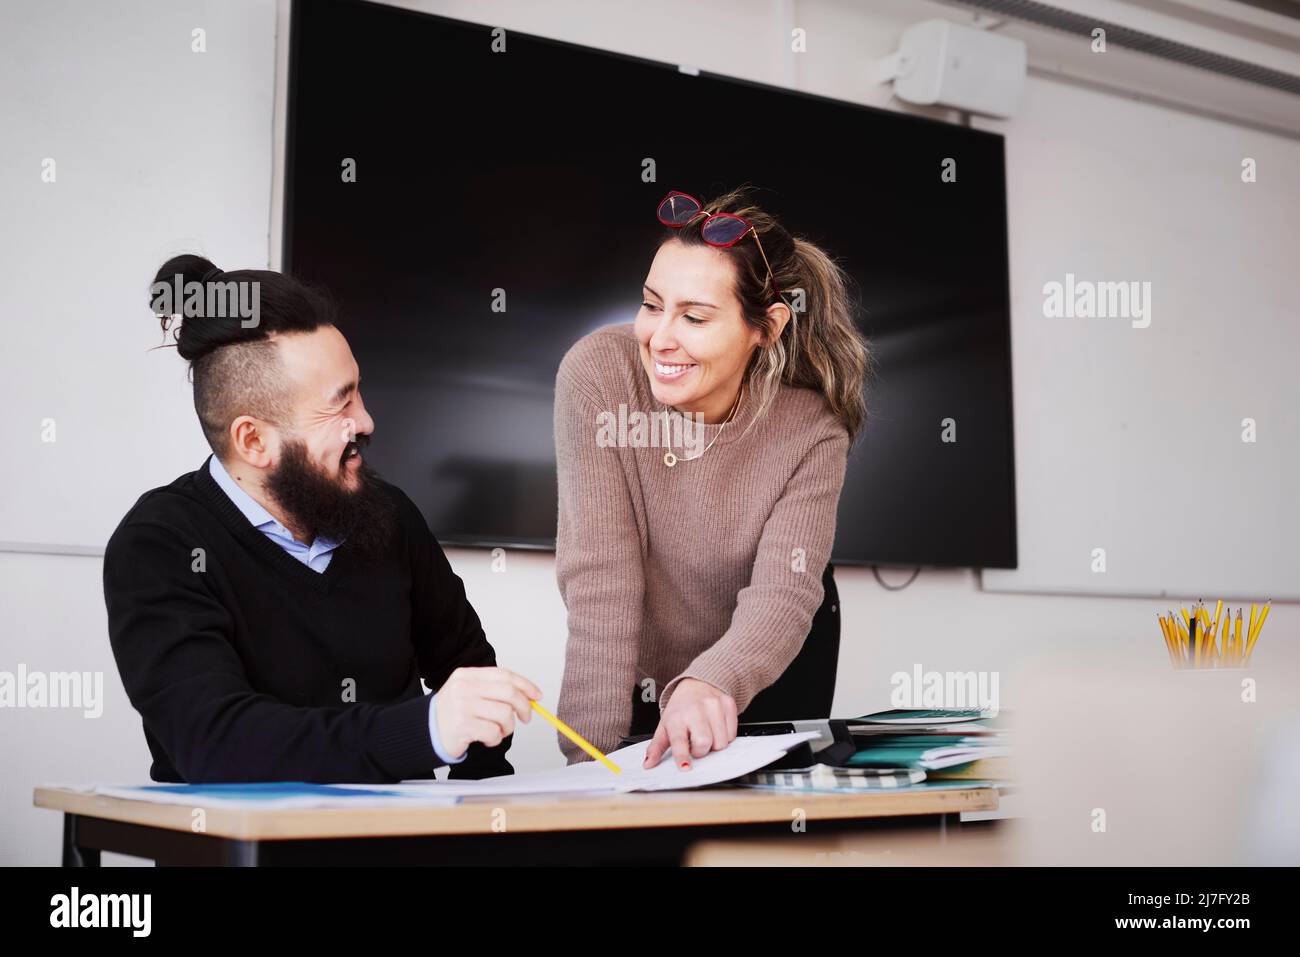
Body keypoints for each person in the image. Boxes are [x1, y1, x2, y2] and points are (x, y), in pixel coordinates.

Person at [104, 255, 541, 783]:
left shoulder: (389, 513)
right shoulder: (160, 544)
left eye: (358, 391)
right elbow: (213, 742)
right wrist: (425, 731)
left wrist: (474, 817)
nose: (366, 420)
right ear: (255, 441)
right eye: (340, 405)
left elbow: (470, 675)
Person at [553, 187, 870, 769]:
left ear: (767, 328)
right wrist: (585, 759)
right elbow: (601, 572)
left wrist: (713, 680)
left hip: (769, 647)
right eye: (652, 305)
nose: (659, 338)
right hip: (644, 659)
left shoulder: (811, 427)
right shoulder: (598, 374)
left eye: (695, 316)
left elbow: (784, 590)